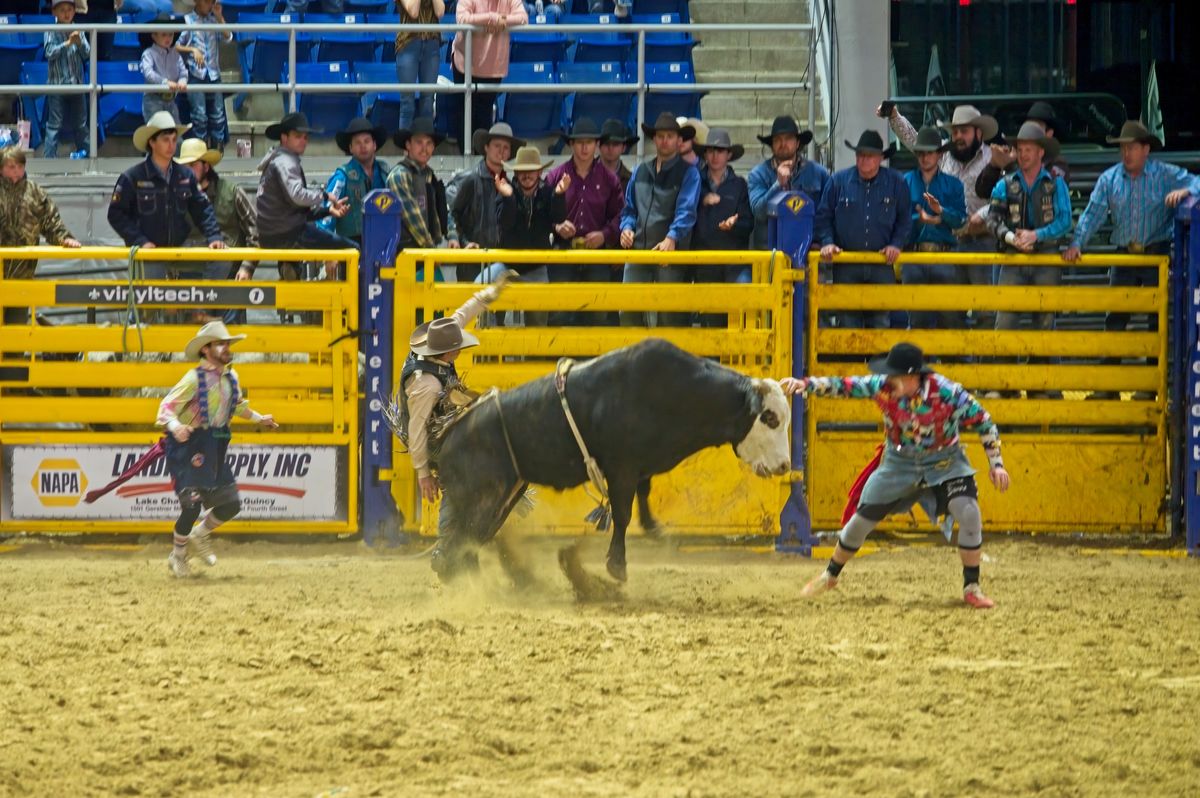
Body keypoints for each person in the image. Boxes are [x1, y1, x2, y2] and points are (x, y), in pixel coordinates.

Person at [780, 341, 1010, 609]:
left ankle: (972, 588)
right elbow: (846, 385)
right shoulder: (883, 386)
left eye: (895, 376)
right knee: (860, 521)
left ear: (912, 377)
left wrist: (996, 464)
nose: (888, 380)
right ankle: (830, 575)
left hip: (945, 461)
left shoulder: (948, 393)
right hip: (899, 461)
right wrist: (806, 385)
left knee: (968, 512)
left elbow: (985, 421)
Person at [395, 270, 515, 579]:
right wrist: (423, 474)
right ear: (446, 352)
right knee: (457, 476)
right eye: (458, 347)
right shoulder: (426, 385)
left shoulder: (437, 347)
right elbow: (417, 430)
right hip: (433, 438)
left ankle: (467, 538)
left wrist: (491, 293)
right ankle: (445, 546)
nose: (461, 349)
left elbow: (463, 313)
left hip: (442, 419)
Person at [157, 321, 280, 578]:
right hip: (188, 446)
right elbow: (166, 407)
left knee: (231, 504)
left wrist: (259, 418)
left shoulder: (231, 378)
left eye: (227, 344)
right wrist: (176, 425)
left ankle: (198, 535)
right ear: (206, 349)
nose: (226, 348)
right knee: (191, 506)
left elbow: (236, 406)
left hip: (214, 446)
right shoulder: (193, 379)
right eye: (221, 343)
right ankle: (178, 557)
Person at [1065, 120, 1200, 337]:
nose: (1126, 153)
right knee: (1117, 314)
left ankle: (1153, 367)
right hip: (1124, 255)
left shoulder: (1164, 174)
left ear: (1145, 149)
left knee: (1157, 317)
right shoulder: (1109, 179)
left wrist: (1186, 191)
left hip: (1157, 252)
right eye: (1123, 148)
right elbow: (1092, 215)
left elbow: (1197, 182)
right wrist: (1077, 242)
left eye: (1132, 148)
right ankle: (1111, 362)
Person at [884, 103, 1003, 328]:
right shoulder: (945, 157)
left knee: (986, 310)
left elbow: (1003, 197)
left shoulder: (994, 158)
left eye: (964, 131)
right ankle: (954, 360)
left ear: (978, 133)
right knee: (951, 312)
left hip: (982, 240)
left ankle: (983, 362)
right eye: (955, 132)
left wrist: (982, 214)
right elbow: (914, 139)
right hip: (951, 243)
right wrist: (894, 116)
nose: (958, 136)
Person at [107, 112, 226, 284]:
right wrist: (140, 241)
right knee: (150, 301)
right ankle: (194, 304)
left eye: (173, 139)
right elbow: (116, 214)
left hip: (180, 246)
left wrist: (214, 236)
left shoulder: (185, 175)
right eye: (165, 140)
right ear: (152, 142)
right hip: (148, 251)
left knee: (223, 259)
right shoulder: (132, 177)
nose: (171, 145)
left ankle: (200, 306)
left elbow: (202, 209)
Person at [814, 130, 912, 329]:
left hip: (882, 261)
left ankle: (877, 361)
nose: (864, 159)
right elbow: (823, 217)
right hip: (847, 261)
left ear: (880, 158)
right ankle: (852, 360)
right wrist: (828, 242)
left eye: (869, 155)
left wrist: (896, 244)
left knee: (881, 320)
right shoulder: (838, 181)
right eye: (860, 154)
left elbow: (905, 220)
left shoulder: (897, 182)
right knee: (848, 320)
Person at [986, 122, 1072, 337]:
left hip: (1046, 258)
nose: (1023, 155)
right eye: (1020, 150)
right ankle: (1005, 369)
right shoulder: (1005, 184)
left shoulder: (1056, 183)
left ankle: (1041, 369)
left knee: (1044, 323)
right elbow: (992, 219)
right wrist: (1011, 238)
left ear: (1040, 152)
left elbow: (1065, 220)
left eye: (1028, 150)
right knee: (1004, 321)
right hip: (1014, 257)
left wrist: (1036, 235)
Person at [618, 111, 700, 327]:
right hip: (638, 250)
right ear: (654, 139)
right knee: (628, 310)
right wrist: (626, 228)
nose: (665, 141)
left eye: (670, 136)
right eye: (661, 136)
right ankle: (634, 360)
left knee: (669, 315)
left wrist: (672, 237)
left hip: (669, 254)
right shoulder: (640, 171)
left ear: (679, 140)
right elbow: (629, 208)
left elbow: (686, 211)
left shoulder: (689, 174)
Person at [543, 117, 625, 326]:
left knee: (597, 312)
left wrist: (604, 235)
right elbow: (541, 212)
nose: (584, 148)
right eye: (579, 142)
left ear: (596, 145)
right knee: (560, 310)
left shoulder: (610, 179)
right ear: (571, 144)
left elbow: (620, 215)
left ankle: (592, 357)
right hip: (562, 251)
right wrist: (557, 226)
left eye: (589, 142)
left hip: (595, 252)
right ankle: (558, 356)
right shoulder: (555, 176)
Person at [255, 112, 354, 281]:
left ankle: (291, 268)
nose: (303, 141)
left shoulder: (276, 161)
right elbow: (298, 196)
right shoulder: (286, 162)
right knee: (352, 249)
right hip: (288, 233)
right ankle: (348, 298)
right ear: (284, 138)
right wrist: (324, 195)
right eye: (298, 136)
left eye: (305, 137)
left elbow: (295, 208)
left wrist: (327, 211)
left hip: (273, 233)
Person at [482, 144, 566, 326]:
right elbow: (505, 222)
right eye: (522, 171)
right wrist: (508, 198)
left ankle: (534, 354)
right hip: (506, 264)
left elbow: (559, 217)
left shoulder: (548, 193)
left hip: (536, 268)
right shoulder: (506, 192)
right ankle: (491, 344)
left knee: (537, 320)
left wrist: (559, 195)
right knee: (477, 288)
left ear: (539, 172)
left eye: (531, 171)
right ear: (516, 173)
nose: (527, 176)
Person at [176, 139, 258, 323]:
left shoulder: (232, 192)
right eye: (184, 166)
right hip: (188, 279)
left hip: (228, 279)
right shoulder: (175, 198)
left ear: (206, 166)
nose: (187, 170)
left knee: (229, 339)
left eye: (193, 164)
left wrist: (247, 267)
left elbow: (256, 232)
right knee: (187, 342)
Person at [0, 146, 81, 326]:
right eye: (11, 167)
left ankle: (16, 355)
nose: (17, 171)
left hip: (22, 276)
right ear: (1, 168)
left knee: (16, 330)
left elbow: (51, 222)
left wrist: (64, 238)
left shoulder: (35, 193)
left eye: (20, 167)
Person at [901, 126, 967, 329]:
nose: (924, 157)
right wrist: (919, 218)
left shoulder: (954, 184)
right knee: (917, 319)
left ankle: (950, 360)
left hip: (944, 256)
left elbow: (961, 220)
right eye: (921, 153)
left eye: (929, 153)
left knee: (950, 318)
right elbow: (898, 219)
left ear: (939, 155)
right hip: (914, 256)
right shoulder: (904, 182)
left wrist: (941, 214)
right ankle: (918, 362)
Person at [447, 122, 525, 282]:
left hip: (500, 262)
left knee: (498, 307)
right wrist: (464, 242)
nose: (501, 151)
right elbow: (451, 213)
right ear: (486, 148)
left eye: (506, 147)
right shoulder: (469, 179)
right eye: (497, 146)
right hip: (472, 261)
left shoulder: (512, 187)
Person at [692, 128, 754, 326]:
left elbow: (748, 222)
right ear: (705, 154)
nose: (715, 155)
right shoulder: (694, 182)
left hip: (733, 260)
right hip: (704, 261)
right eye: (710, 151)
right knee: (710, 319)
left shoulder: (740, 186)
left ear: (728, 155)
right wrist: (701, 199)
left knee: (739, 312)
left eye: (720, 151)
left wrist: (734, 225)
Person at [387, 117, 456, 284]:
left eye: (429, 143)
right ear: (408, 145)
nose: (424, 148)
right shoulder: (399, 176)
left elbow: (443, 210)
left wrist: (452, 235)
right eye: (419, 142)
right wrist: (432, 252)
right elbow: (413, 219)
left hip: (423, 256)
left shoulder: (430, 175)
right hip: (404, 257)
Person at [449, 0, 527, 144]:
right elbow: (462, 19)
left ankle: (480, 155)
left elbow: (523, 18)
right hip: (465, 62)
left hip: (493, 65)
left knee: (484, 113)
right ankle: (464, 155)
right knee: (465, 112)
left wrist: (501, 19)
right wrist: (491, 17)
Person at [747, 115, 829, 251]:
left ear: (797, 143)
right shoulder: (758, 174)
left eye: (788, 139)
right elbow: (759, 213)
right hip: (769, 255)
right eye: (777, 140)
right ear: (772, 145)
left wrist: (820, 240)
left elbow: (827, 214)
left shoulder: (819, 173)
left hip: (808, 253)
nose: (783, 143)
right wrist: (778, 184)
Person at [319, 118, 391, 248]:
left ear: (374, 145)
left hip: (382, 244)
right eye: (357, 142)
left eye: (367, 141)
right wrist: (328, 253)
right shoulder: (342, 176)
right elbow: (326, 214)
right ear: (351, 148)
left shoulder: (385, 173)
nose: (363, 146)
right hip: (350, 246)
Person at [176, 0, 231, 150]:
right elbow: (176, 45)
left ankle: (217, 150)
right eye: (207, 2)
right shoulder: (187, 21)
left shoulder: (214, 21)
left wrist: (220, 17)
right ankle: (200, 150)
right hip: (195, 74)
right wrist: (192, 50)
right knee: (199, 115)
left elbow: (228, 37)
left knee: (218, 114)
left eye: (212, 2)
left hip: (214, 73)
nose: (210, 5)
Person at [43, 0, 90, 159]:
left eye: (69, 9)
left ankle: (88, 157)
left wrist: (80, 44)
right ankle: (49, 161)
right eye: (62, 10)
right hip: (57, 87)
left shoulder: (79, 30)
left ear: (74, 11)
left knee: (81, 125)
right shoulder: (50, 30)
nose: (66, 13)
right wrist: (67, 43)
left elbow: (87, 54)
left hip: (77, 85)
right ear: (54, 12)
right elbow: (49, 53)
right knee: (54, 125)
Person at [394, 0, 447, 131]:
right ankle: (405, 147)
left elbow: (440, 12)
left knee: (428, 101)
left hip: (432, 45)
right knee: (407, 103)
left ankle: (426, 145)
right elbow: (413, 11)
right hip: (408, 44)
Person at [139, 15, 188, 123]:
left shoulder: (175, 55)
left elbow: (183, 72)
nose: (168, 38)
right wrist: (164, 82)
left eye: (170, 34)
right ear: (154, 36)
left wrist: (182, 81)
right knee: (157, 131)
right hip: (153, 99)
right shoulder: (148, 54)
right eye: (164, 34)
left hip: (171, 99)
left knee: (175, 131)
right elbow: (148, 73)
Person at [598, 117, 636, 193]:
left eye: (615, 144)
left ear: (623, 148)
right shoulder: (584, 174)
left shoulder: (631, 181)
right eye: (606, 143)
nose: (610, 148)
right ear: (599, 146)